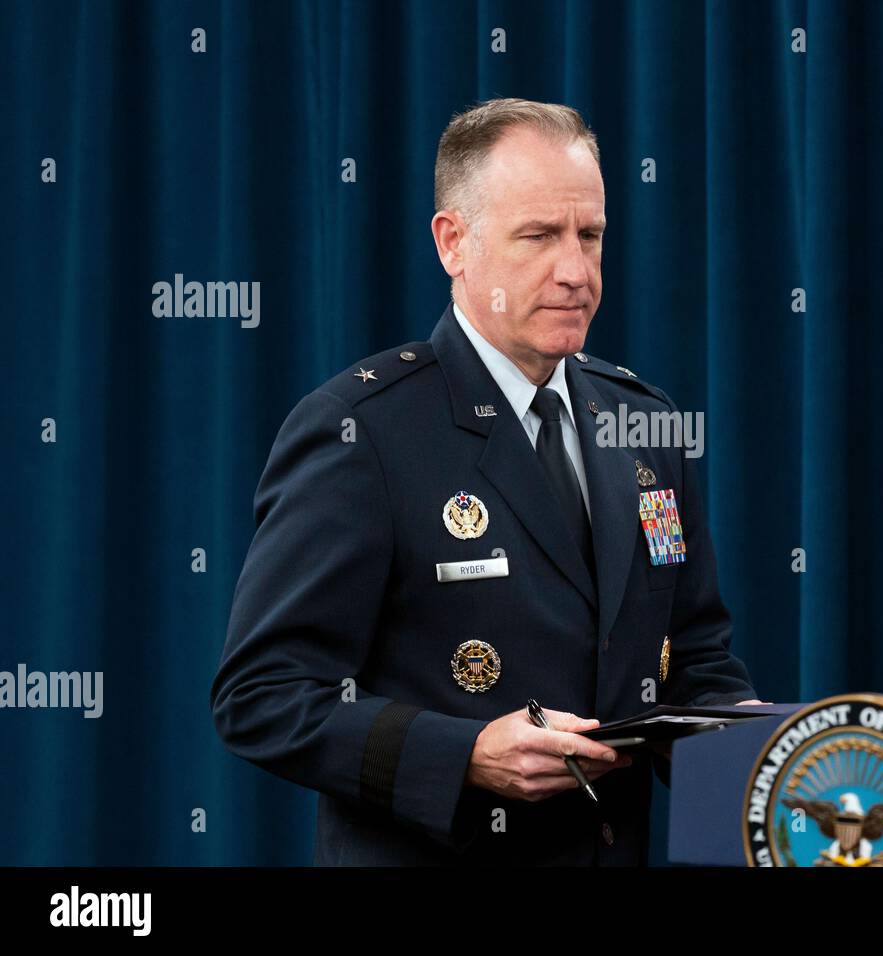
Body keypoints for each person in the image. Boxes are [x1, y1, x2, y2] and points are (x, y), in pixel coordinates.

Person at [210, 98, 762, 866]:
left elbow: (696, 660)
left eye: (590, 236)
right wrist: (464, 755)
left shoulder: (643, 422)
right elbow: (261, 698)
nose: (575, 271)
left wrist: (795, 756)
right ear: (454, 242)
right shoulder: (361, 429)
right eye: (538, 236)